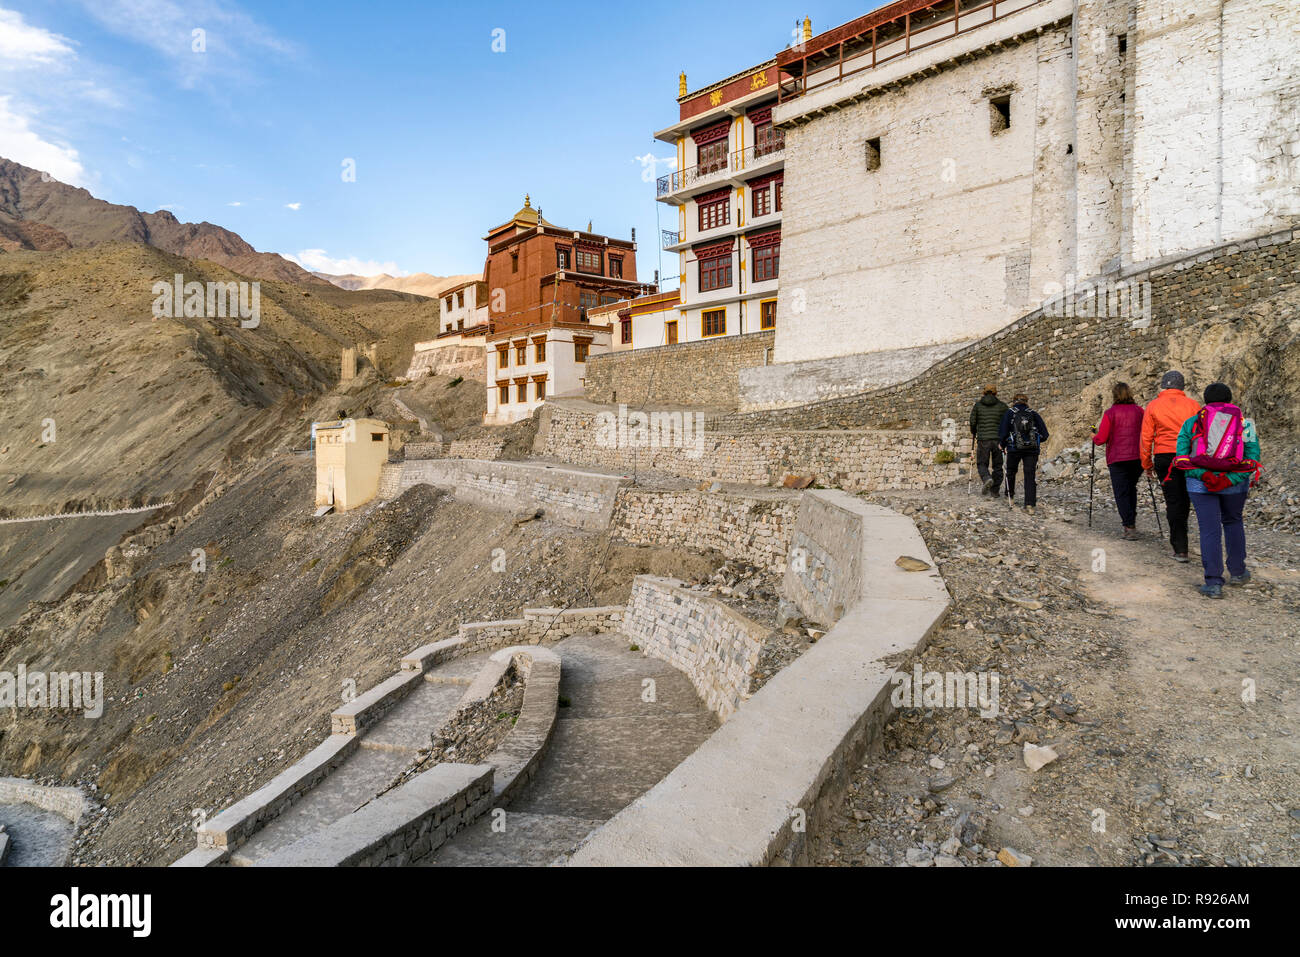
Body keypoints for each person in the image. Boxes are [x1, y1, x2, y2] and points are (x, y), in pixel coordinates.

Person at [1175, 383, 1260, 599]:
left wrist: (1206, 476)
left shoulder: (1192, 423)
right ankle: (1238, 572)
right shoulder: (1246, 424)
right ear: (1230, 399)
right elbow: (1252, 460)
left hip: (1201, 486)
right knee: (1233, 521)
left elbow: (1182, 459)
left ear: (1205, 400)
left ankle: (1213, 583)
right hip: (1234, 485)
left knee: (1209, 529)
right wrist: (1229, 479)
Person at [1140, 371, 1202, 562]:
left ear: (1163, 386)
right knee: (1189, 499)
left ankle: (1180, 548)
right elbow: (1201, 433)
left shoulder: (1153, 406)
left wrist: (1147, 464)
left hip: (1164, 458)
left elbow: (1146, 438)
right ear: (1182, 386)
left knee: (1173, 501)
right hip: (1188, 456)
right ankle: (1200, 545)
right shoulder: (1193, 405)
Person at [1092, 382, 1146, 539]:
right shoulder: (1139, 411)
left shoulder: (1110, 413)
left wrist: (1093, 437)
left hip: (1117, 458)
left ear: (1114, 395)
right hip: (1137, 457)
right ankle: (1132, 522)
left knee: (1121, 492)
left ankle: (1129, 526)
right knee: (1131, 489)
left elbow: (1101, 439)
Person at [998, 393, 1049, 512]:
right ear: (1026, 401)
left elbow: (1003, 432)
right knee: (1030, 475)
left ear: (1014, 401)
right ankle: (1029, 504)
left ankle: (1010, 497)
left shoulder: (1010, 413)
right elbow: (1045, 434)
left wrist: (1002, 443)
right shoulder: (1033, 413)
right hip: (1032, 450)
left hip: (1014, 448)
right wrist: (1035, 441)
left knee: (1010, 472)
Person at [969, 385, 1008, 496]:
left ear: (984, 393)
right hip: (998, 440)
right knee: (998, 466)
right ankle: (994, 491)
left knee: (982, 463)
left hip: (983, 439)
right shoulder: (1002, 406)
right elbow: (1008, 420)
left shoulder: (978, 406)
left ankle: (986, 478)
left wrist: (974, 431)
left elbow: (972, 421)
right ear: (996, 393)